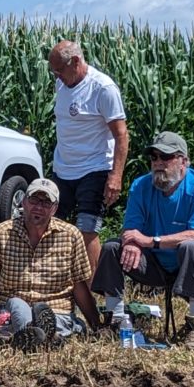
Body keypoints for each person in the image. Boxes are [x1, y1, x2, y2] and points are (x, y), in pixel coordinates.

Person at [92, 132, 194, 350]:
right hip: (158, 264)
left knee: (190, 246)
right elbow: (131, 228)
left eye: (165, 157)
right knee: (112, 247)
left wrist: (149, 241)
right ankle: (115, 321)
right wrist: (131, 242)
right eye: (154, 157)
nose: (158, 163)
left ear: (183, 161)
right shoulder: (141, 185)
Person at [0, 176, 100, 349]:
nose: (38, 207)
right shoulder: (0, 234)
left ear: (54, 208)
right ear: (24, 202)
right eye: (34, 200)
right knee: (12, 307)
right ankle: (44, 338)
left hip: (56, 311)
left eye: (46, 203)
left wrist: (96, 324)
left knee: (52, 321)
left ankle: (26, 337)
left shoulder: (71, 235)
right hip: (9, 311)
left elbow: (80, 285)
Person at [47, 40, 128, 273]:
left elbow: (121, 135)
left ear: (75, 61)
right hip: (63, 169)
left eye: (60, 70)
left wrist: (116, 176)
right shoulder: (61, 84)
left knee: (87, 228)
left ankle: (93, 286)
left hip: (94, 168)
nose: (57, 76)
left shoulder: (103, 88)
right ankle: (59, 279)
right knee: (54, 225)